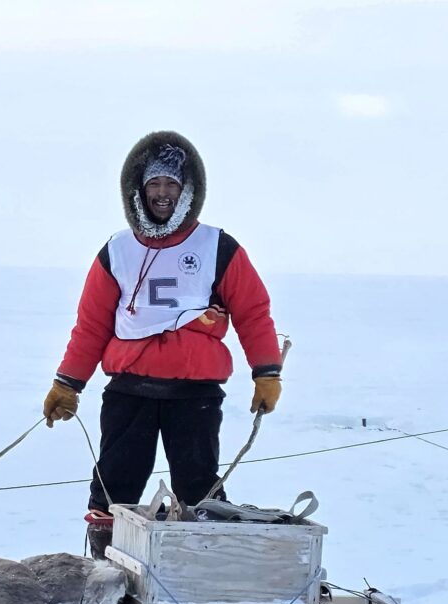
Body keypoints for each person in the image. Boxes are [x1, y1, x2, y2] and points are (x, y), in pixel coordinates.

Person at [42, 130, 283, 557]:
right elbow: (91, 325)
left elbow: (252, 312)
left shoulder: (217, 247)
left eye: (172, 184)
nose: (163, 193)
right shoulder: (117, 251)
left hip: (195, 394)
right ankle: (104, 565)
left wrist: (266, 373)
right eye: (154, 183)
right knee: (114, 483)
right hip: (129, 389)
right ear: (139, 190)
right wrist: (67, 385)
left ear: (188, 191)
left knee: (198, 489)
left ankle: (201, 570)